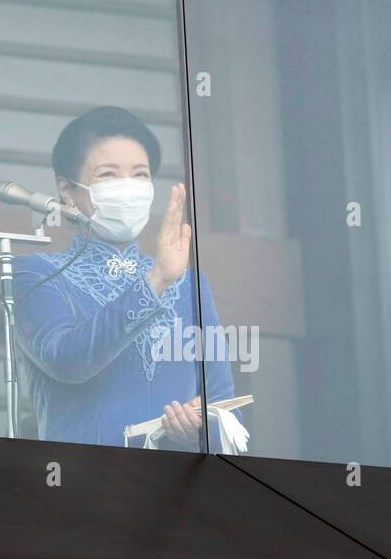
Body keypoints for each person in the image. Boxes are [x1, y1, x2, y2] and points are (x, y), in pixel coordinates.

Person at [13, 106, 239, 448]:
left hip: (176, 489)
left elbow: (223, 401)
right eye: (108, 174)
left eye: (140, 175)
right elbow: (67, 360)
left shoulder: (189, 283)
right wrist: (156, 280)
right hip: (82, 486)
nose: (128, 187)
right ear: (67, 190)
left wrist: (201, 428)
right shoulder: (36, 273)